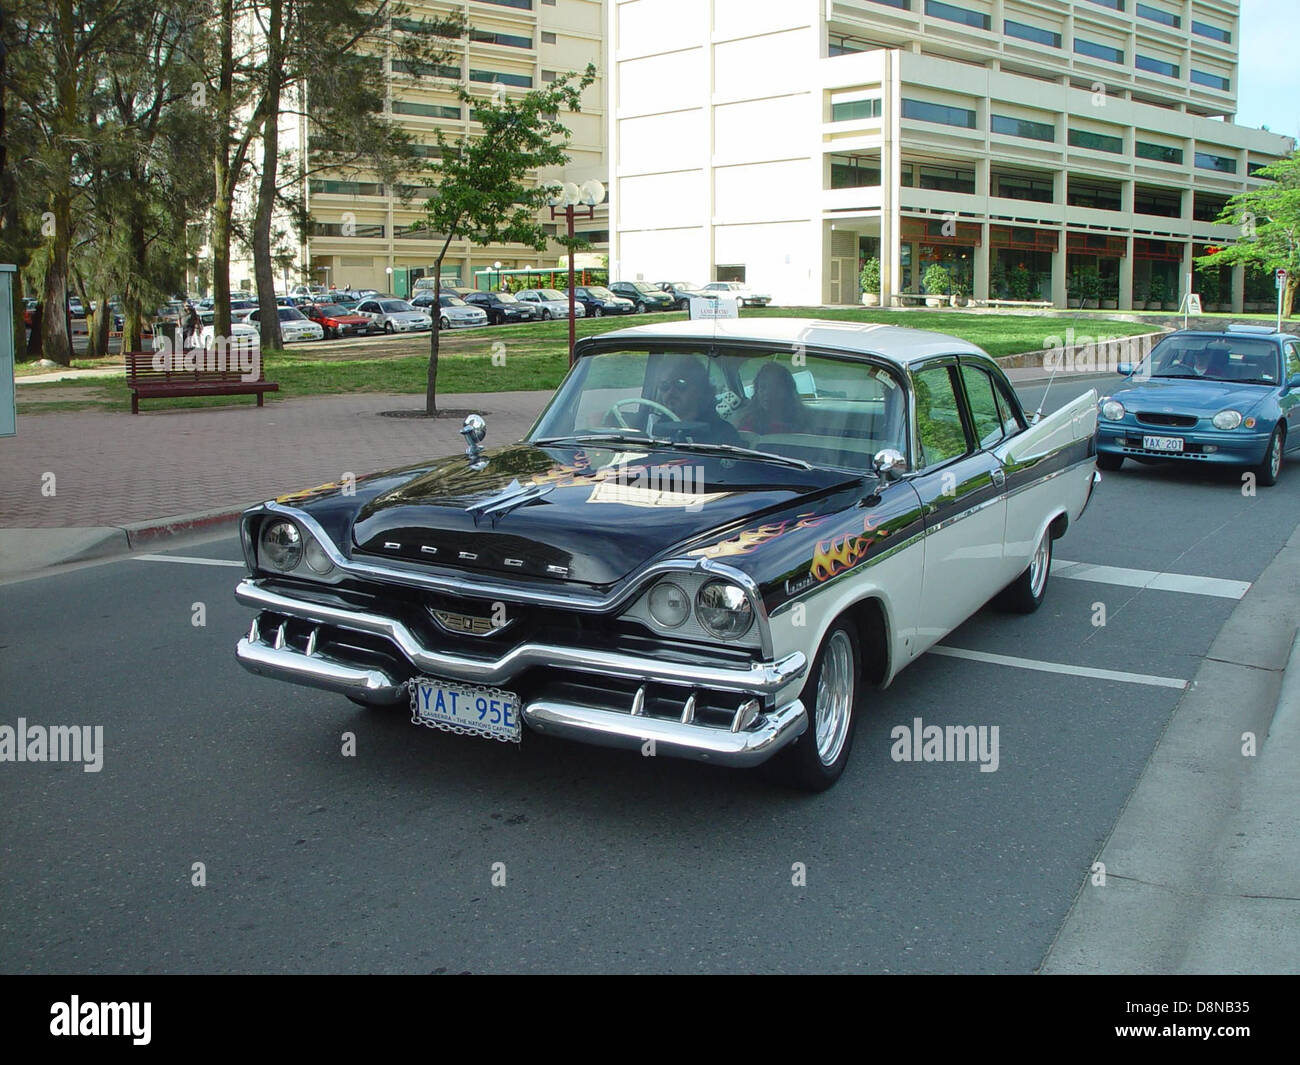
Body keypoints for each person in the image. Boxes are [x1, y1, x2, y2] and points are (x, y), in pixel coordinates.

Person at [651, 356, 741, 444]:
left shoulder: (724, 434)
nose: (670, 392)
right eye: (664, 385)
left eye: (680, 384)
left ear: (701, 388)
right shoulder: (657, 430)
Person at [738, 362, 807, 435]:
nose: (766, 393)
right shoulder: (749, 424)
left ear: (788, 391)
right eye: (762, 387)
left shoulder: (802, 425)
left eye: (774, 387)